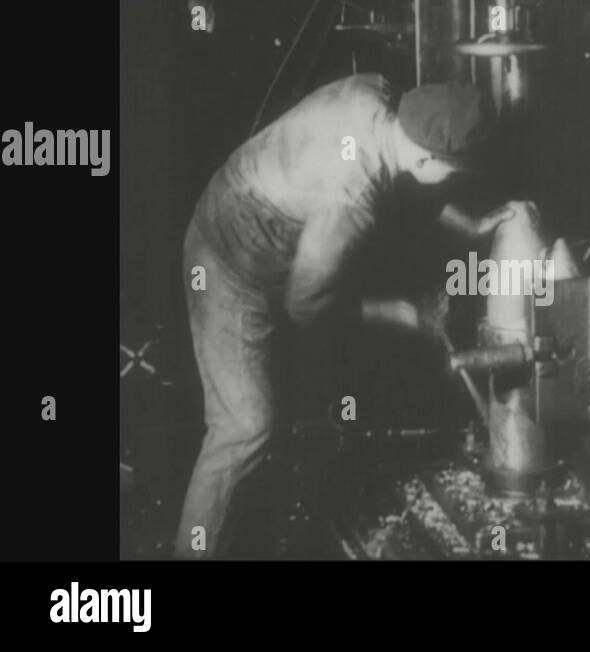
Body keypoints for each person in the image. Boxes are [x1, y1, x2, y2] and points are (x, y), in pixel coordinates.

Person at [175, 73, 510, 558]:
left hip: (276, 231)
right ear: (425, 158)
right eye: (455, 172)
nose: (456, 181)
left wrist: (473, 223)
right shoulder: (350, 199)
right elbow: (304, 306)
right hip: (227, 260)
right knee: (244, 425)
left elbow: (409, 179)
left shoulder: (377, 96)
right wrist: (406, 312)